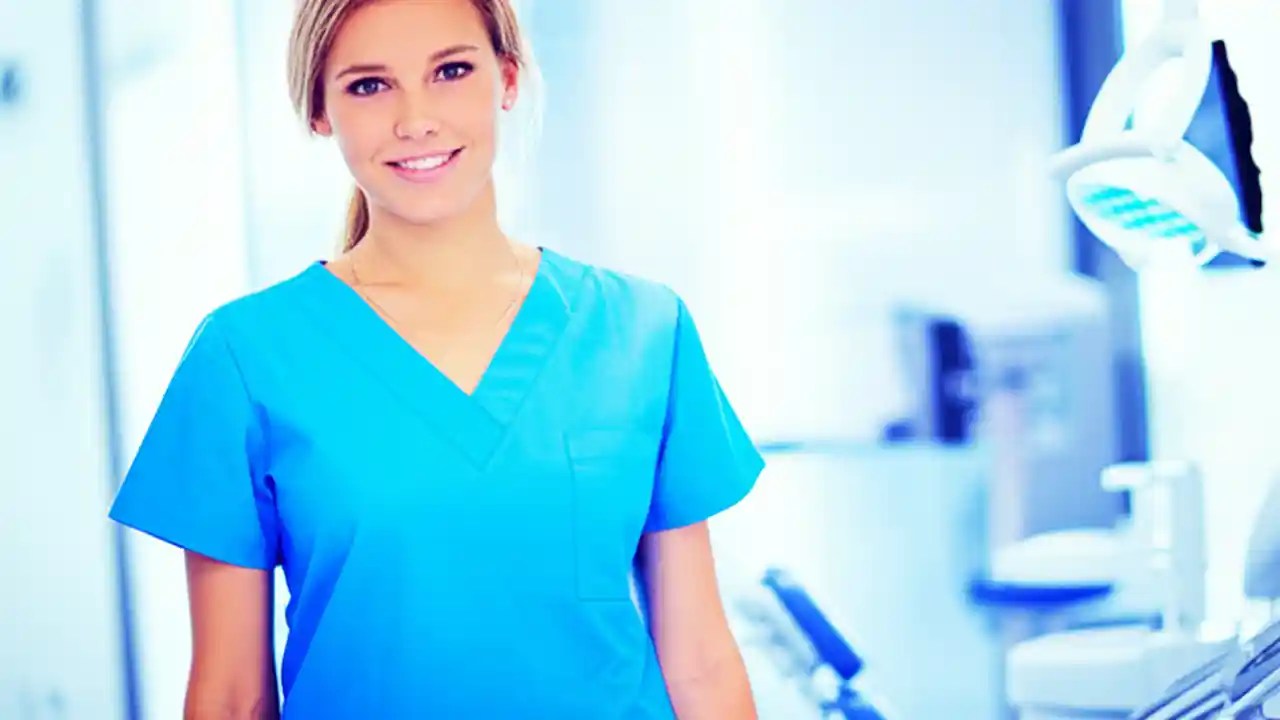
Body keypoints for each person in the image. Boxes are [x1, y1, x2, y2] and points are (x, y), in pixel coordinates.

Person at [108, 0, 765, 717]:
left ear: (507, 79)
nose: (415, 120)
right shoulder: (245, 356)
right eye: (369, 85)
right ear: (320, 111)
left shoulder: (643, 331)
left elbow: (701, 664)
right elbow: (232, 696)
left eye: (450, 71)